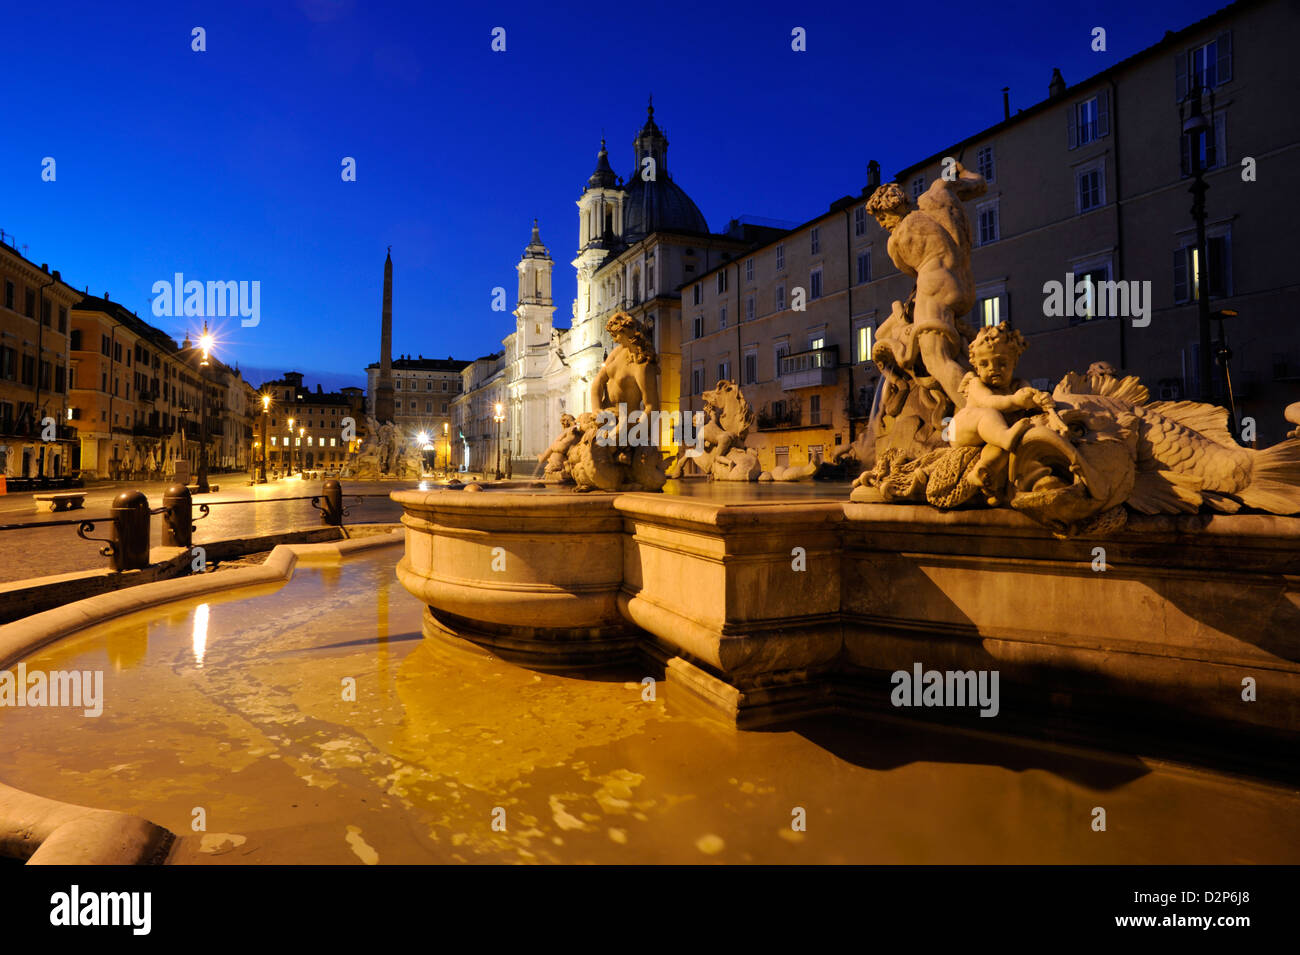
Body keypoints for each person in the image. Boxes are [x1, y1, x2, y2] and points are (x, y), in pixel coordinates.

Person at [866, 161, 987, 409]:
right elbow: (980, 185)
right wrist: (961, 172)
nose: (881, 224)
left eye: (881, 217)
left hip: (933, 286)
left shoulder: (896, 241)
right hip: (963, 286)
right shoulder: (937, 196)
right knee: (950, 351)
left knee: (936, 359)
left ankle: (975, 414)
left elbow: (912, 272)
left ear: (892, 207)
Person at [950, 325, 1062, 495]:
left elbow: (1030, 402)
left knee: (1000, 446)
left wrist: (1040, 400)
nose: (992, 369)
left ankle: (983, 472)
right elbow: (989, 401)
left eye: (1001, 363)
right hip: (962, 428)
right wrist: (1015, 401)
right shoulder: (976, 383)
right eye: (984, 364)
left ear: (1014, 362)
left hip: (995, 434)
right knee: (990, 415)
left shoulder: (1019, 384)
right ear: (976, 367)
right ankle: (1004, 439)